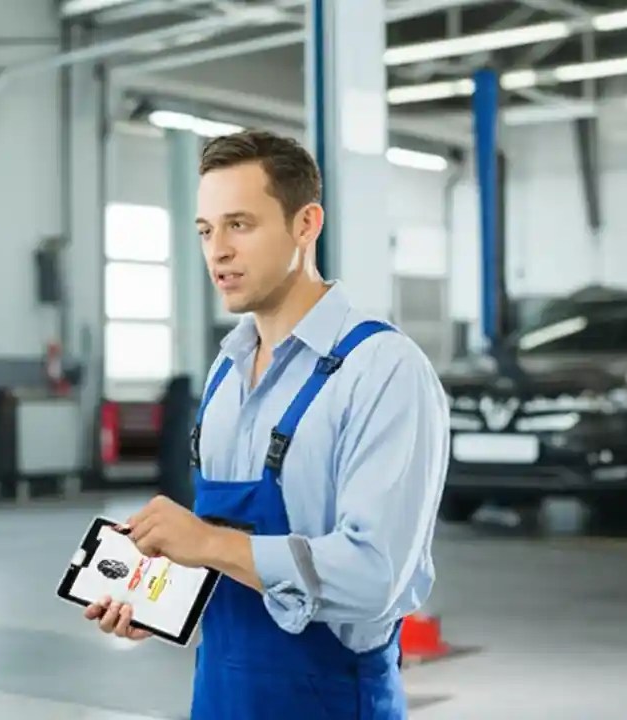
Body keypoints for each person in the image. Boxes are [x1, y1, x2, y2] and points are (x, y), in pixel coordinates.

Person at [83, 129, 450, 719]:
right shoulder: (226, 374)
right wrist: (164, 599)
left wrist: (204, 541)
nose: (217, 251)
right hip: (221, 696)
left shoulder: (382, 370)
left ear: (306, 224)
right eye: (205, 231)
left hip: (330, 701)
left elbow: (375, 575)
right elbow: (227, 554)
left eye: (240, 225)